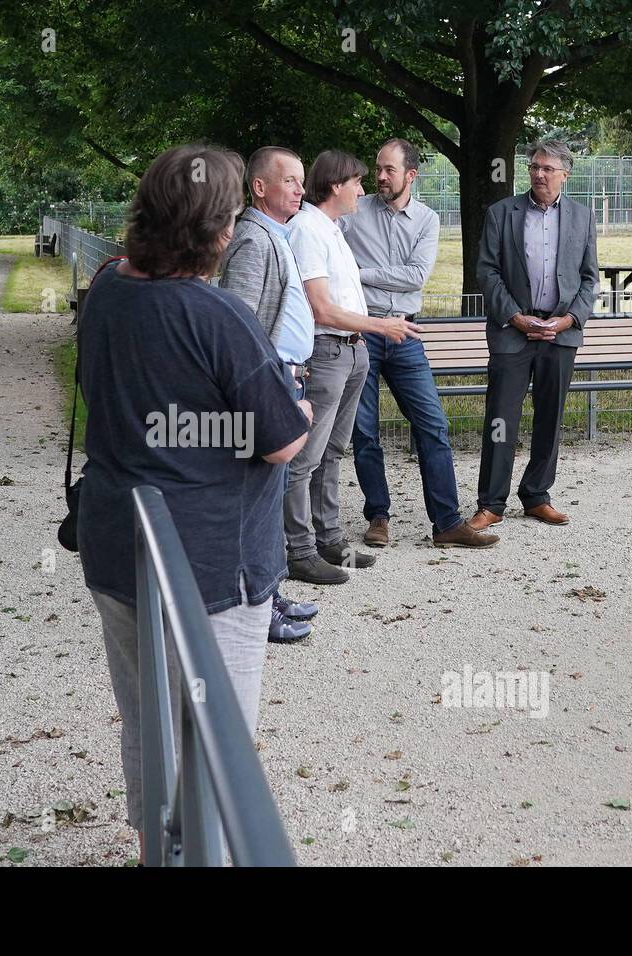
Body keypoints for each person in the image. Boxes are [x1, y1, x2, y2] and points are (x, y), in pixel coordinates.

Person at [76, 144, 311, 849]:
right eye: (232, 215)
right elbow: (282, 441)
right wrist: (292, 405)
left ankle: (159, 846)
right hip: (213, 563)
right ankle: (203, 848)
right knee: (217, 735)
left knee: (148, 718)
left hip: (117, 544)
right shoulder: (216, 316)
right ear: (215, 231)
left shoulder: (108, 288)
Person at [341, 138, 498, 550]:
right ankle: (378, 515)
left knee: (433, 426)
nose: (379, 176)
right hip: (365, 331)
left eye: (388, 170)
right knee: (364, 431)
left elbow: (414, 278)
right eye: (377, 168)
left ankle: (446, 522)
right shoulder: (353, 212)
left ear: (410, 175)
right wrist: (359, 273)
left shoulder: (427, 219)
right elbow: (335, 265)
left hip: (407, 334)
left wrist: (360, 272)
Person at [283, 150, 419, 585]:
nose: (363, 189)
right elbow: (320, 308)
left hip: (351, 351)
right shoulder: (307, 230)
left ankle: (329, 541)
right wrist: (381, 324)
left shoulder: (331, 229)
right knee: (306, 456)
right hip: (328, 353)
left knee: (331, 451)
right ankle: (299, 550)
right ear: (336, 185)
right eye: (357, 182)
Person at [469, 138, 599, 531]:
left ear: (565, 174)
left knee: (550, 417)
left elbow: (590, 279)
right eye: (534, 167)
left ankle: (537, 496)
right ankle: (491, 503)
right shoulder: (501, 213)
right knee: (501, 419)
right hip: (514, 332)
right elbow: (487, 270)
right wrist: (514, 316)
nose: (538, 174)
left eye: (547, 168)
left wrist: (569, 320)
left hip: (559, 334)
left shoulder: (582, 216)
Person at [218, 145, 320, 643]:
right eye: (291, 181)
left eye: (302, 182)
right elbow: (239, 324)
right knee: (259, 497)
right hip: (270, 378)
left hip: (285, 375)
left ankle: (270, 595)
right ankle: (259, 606)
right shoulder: (255, 240)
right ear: (260, 188)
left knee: (269, 494)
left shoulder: (275, 235)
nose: (301, 189)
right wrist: (266, 384)